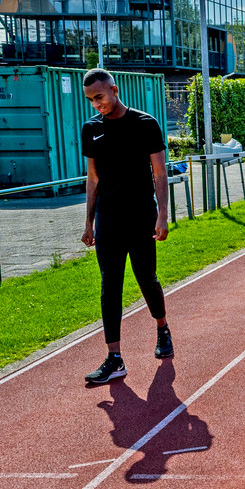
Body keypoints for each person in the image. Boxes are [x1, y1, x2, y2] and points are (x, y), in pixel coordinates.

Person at [79, 69, 172, 385]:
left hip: (141, 216)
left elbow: (159, 174)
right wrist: (89, 221)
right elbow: (93, 179)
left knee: (146, 278)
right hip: (108, 218)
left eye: (100, 97)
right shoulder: (90, 130)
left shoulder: (145, 124)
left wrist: (162, 216)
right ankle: (114, 358)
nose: (96, 104)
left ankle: (162, 327)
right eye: (91, 100)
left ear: (114, 90)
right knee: (110, 285)